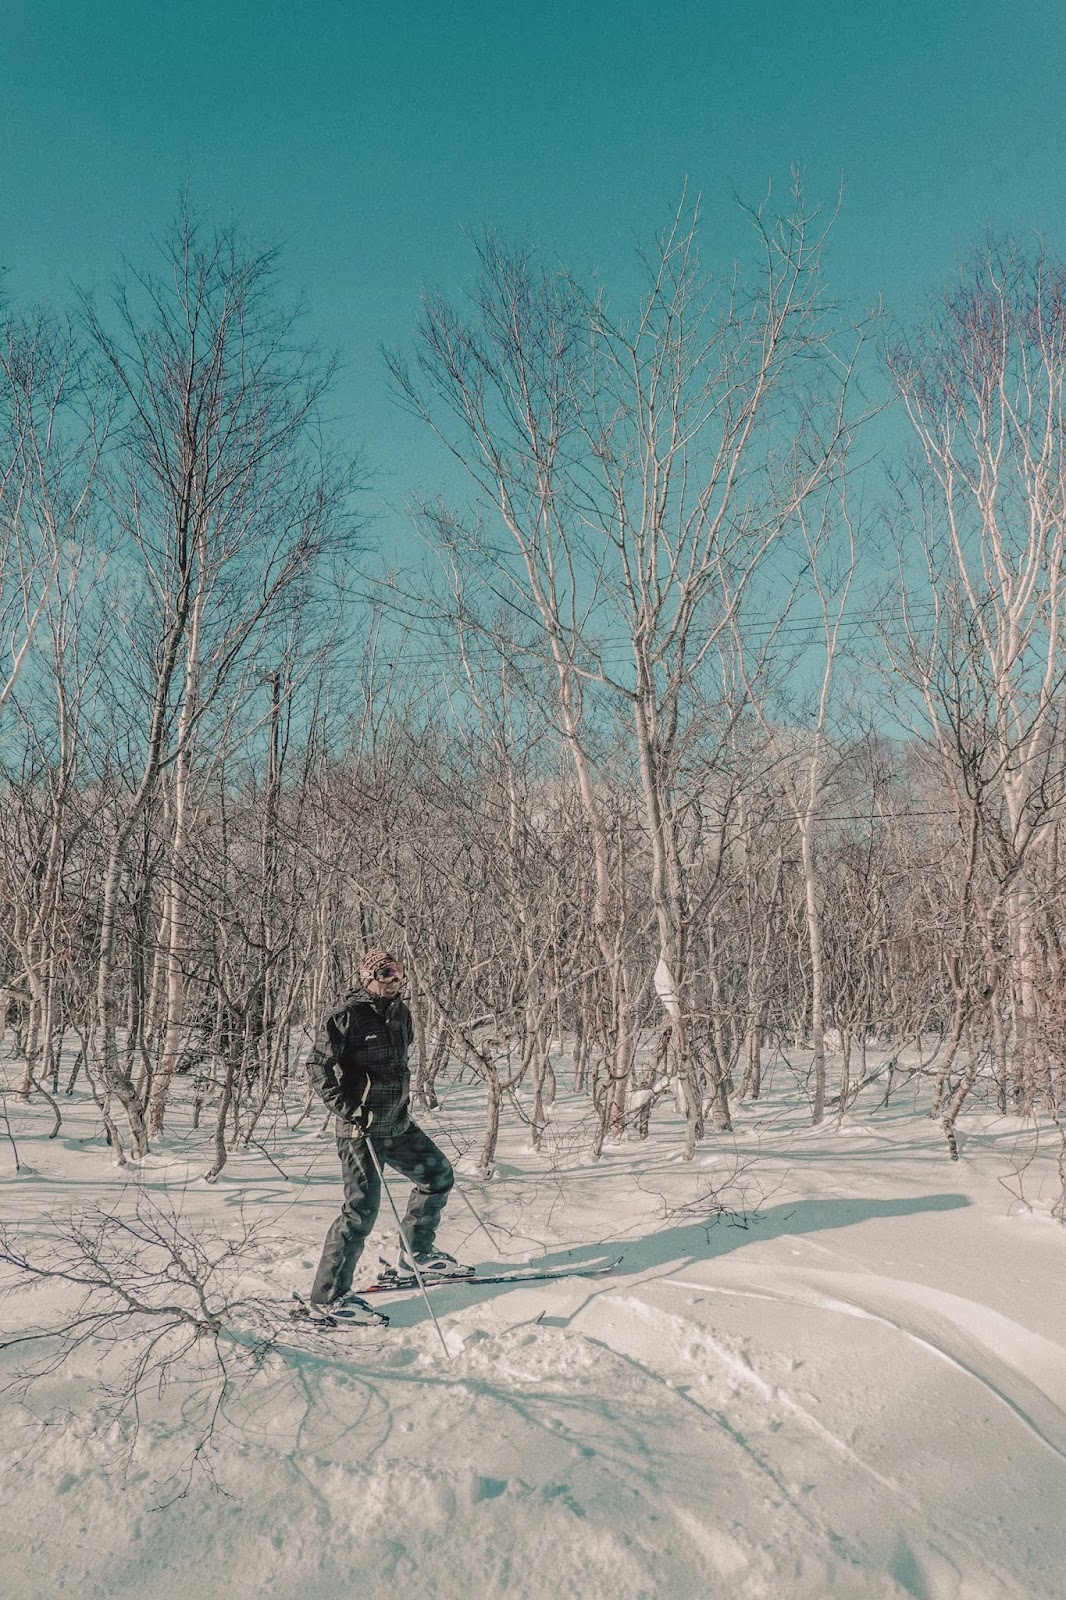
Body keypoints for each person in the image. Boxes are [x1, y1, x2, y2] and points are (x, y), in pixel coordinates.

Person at [305, 947, 470, 1322]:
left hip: (396, 1124)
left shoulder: (401, 1013)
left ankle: (417, 1256)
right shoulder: (346, 1017)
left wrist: (400, 1104)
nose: (394, 979)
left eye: (397, 972)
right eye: (386, 973)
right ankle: (327, 1300)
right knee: (360, 1212)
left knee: (437, 1176)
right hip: (359, 1131)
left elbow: (398, 1066)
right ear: (368, 979)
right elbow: (318, 1068)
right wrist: (350, 1109)